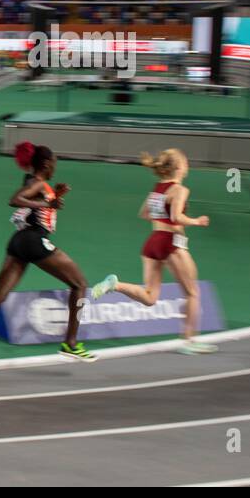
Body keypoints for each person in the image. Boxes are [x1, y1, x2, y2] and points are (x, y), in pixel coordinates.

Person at [0, 142, 96, 363]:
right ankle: (71, 343)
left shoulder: (35, 182)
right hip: (34, 240)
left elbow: (37, 205)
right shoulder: (38, 183)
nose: (55, 167)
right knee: (80, 285)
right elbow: (15, 199)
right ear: (46, 164)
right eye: (54, 163)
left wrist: (53, 200)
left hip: (18, 242)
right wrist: (47, 202)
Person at [90, 149, 215, 354]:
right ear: (178, 167)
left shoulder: (157, 189)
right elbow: (176, 218)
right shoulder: (180, 190)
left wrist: (163, 220)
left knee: (150, 297)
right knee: (192, 293)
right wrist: (196, 221)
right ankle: (189, 341)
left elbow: (145, 214)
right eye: (185, 162)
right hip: (171, 243)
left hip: (153, 242)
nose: (187, 165)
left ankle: (115, 284)